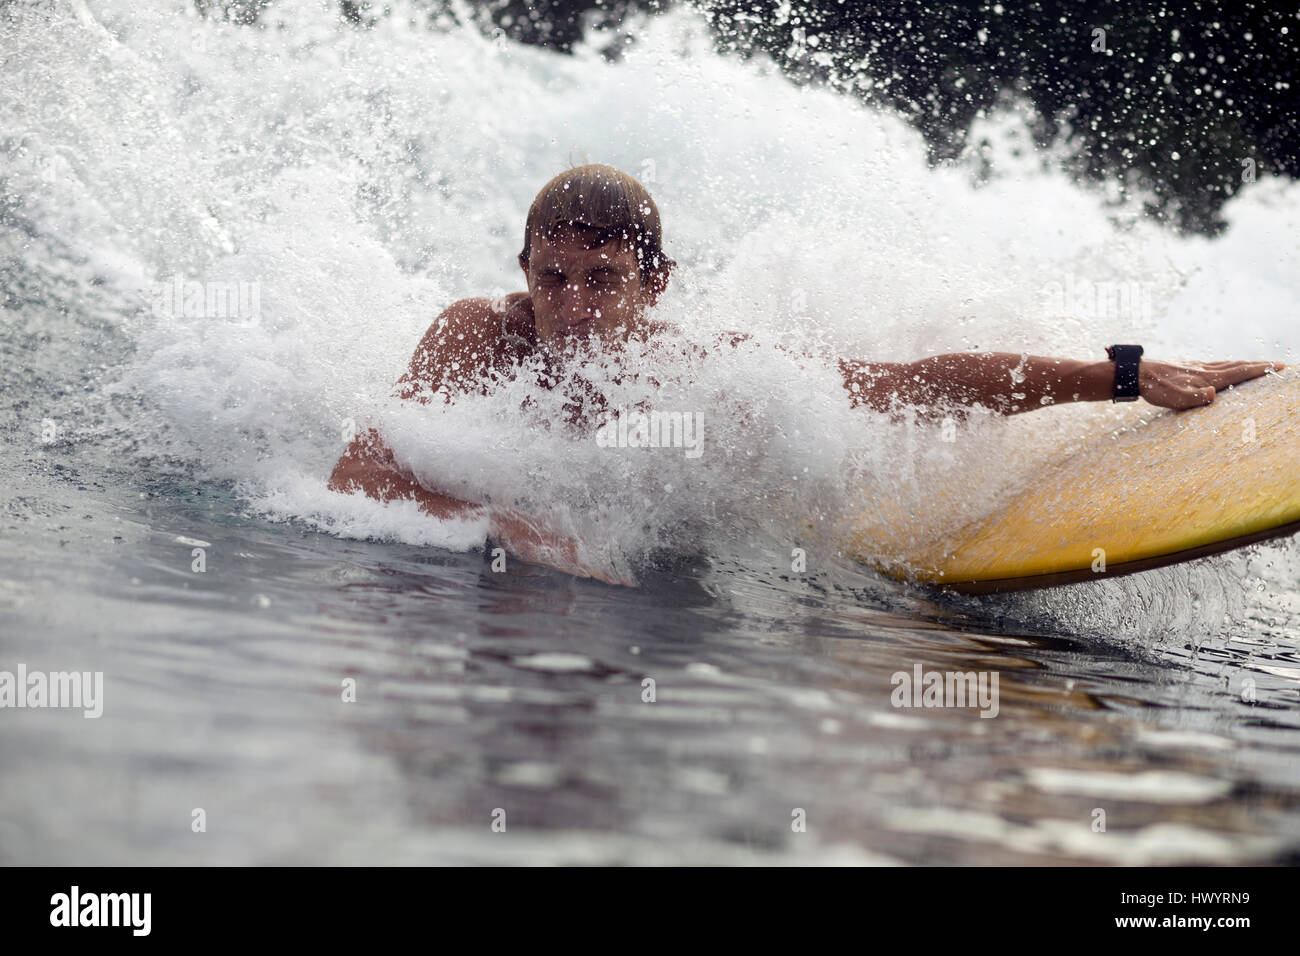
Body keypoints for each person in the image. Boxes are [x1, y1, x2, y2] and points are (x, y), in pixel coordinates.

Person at [329, 164, 1284, 582]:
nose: (574, 307)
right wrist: (499, 527)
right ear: (524, 273)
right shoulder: (479, 338)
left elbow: (910, 384)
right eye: (553, 278)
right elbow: (361, 474)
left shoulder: (699, 372)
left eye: (604, 280)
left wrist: (1120, 374)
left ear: (655, 286)